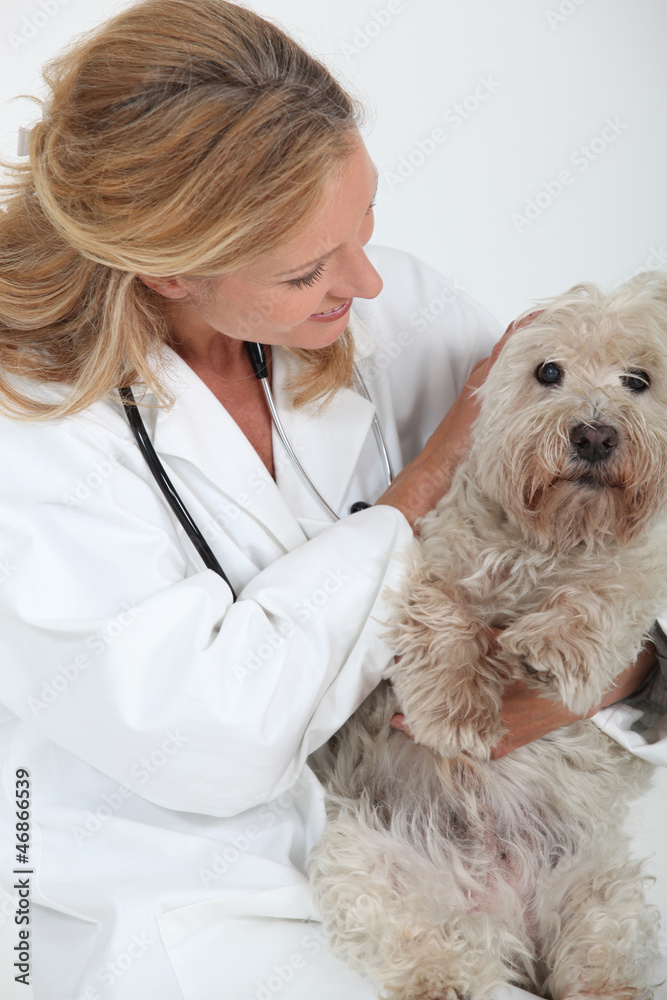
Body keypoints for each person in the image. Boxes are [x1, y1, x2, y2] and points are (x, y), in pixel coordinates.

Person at [0, 2, 663, 998]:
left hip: (493, 851)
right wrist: (420, 486)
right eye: (306, 268)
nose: (363, 278)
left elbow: (592, 534)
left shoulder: (393, 306)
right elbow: (210, 741)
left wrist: (629, 675)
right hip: (184, 898)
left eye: (365, 220)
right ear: (165, 264)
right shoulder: (33, 438)